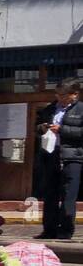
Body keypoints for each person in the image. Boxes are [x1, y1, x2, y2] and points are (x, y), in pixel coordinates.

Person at [36, 83, 83, 241]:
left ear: (74, 94)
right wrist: (42, 128)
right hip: (51, 155)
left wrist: (62, 129)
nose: (59, 98)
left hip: (72, 157)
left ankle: (65, 230)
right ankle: (49, 230)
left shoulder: (80, 109)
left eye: (63, 95)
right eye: (57, 95)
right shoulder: (50, 108)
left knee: (68, 195)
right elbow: (38, 126)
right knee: (50, 194)